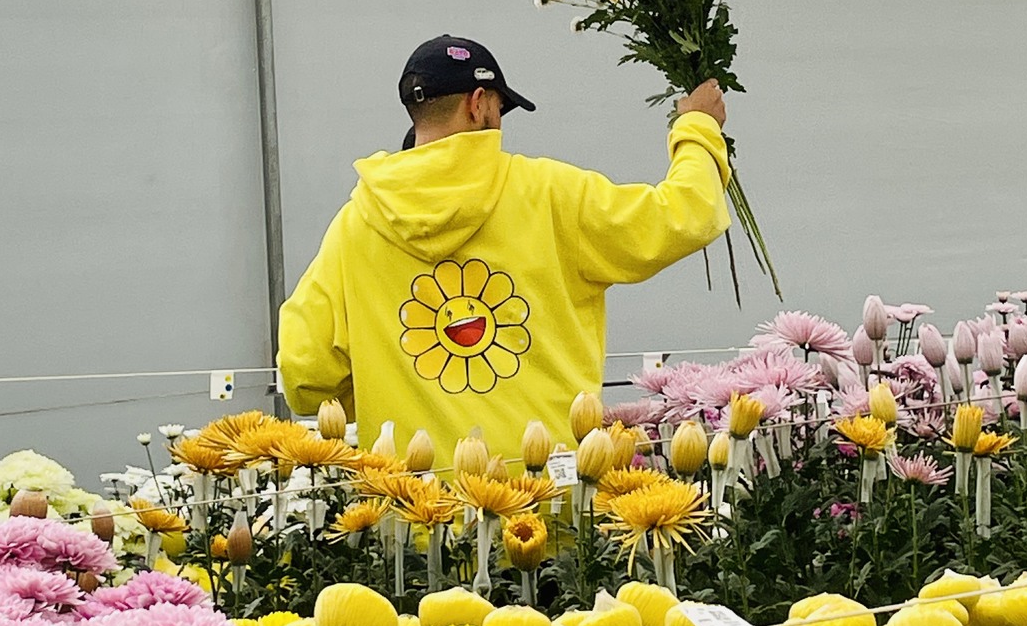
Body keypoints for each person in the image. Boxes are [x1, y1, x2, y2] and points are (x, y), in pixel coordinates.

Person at [277, 34, 731, 463]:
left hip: (413, 518)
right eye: (499, 107)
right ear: (478, 106)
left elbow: (304, 374)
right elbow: (684, 216)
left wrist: (389, 384)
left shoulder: (357, 223)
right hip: (548, 505)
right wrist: (697, 127)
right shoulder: (551, 194)